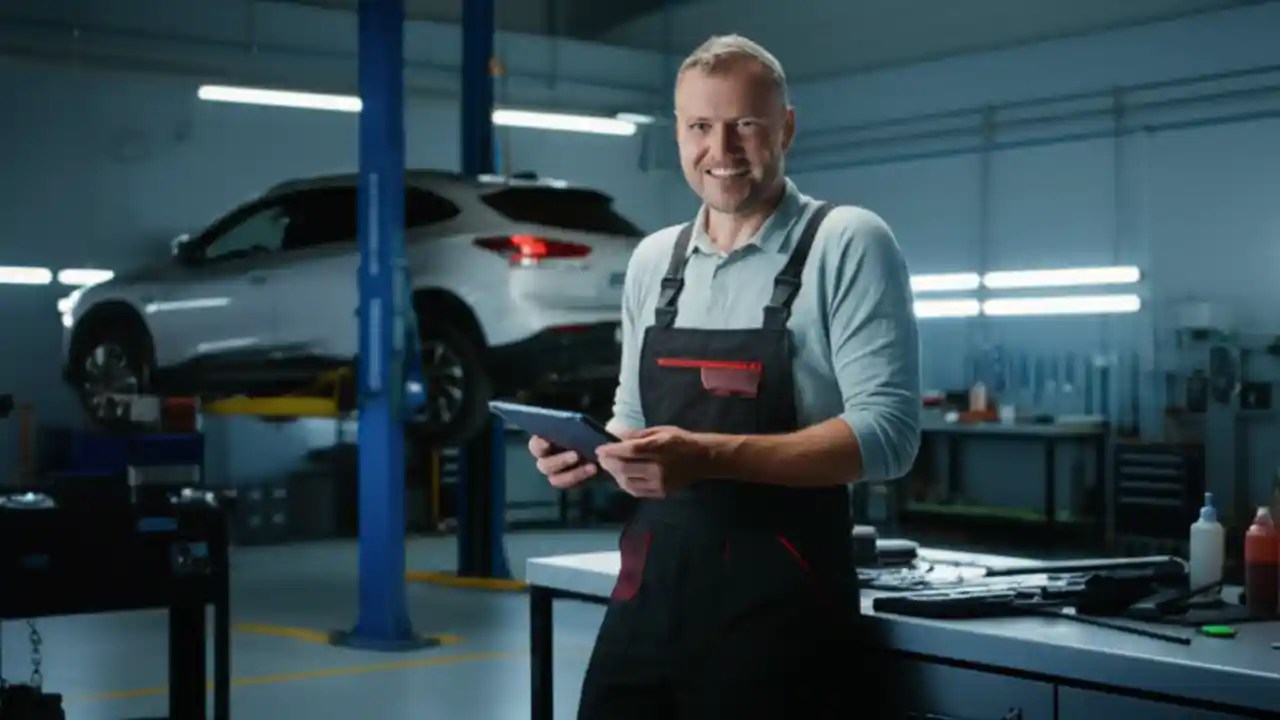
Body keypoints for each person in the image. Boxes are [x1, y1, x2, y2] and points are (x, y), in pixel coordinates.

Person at [529, 33, 921, 719]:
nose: (722, 149)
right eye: (701, 127)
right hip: (648, 598)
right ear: (678, 132)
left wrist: (707, 456)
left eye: (745, 125)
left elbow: (888, 437)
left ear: (786, 128)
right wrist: (593, 451)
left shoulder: (846, 242)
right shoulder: (656, 260)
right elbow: (634, 416)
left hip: (783, 612)